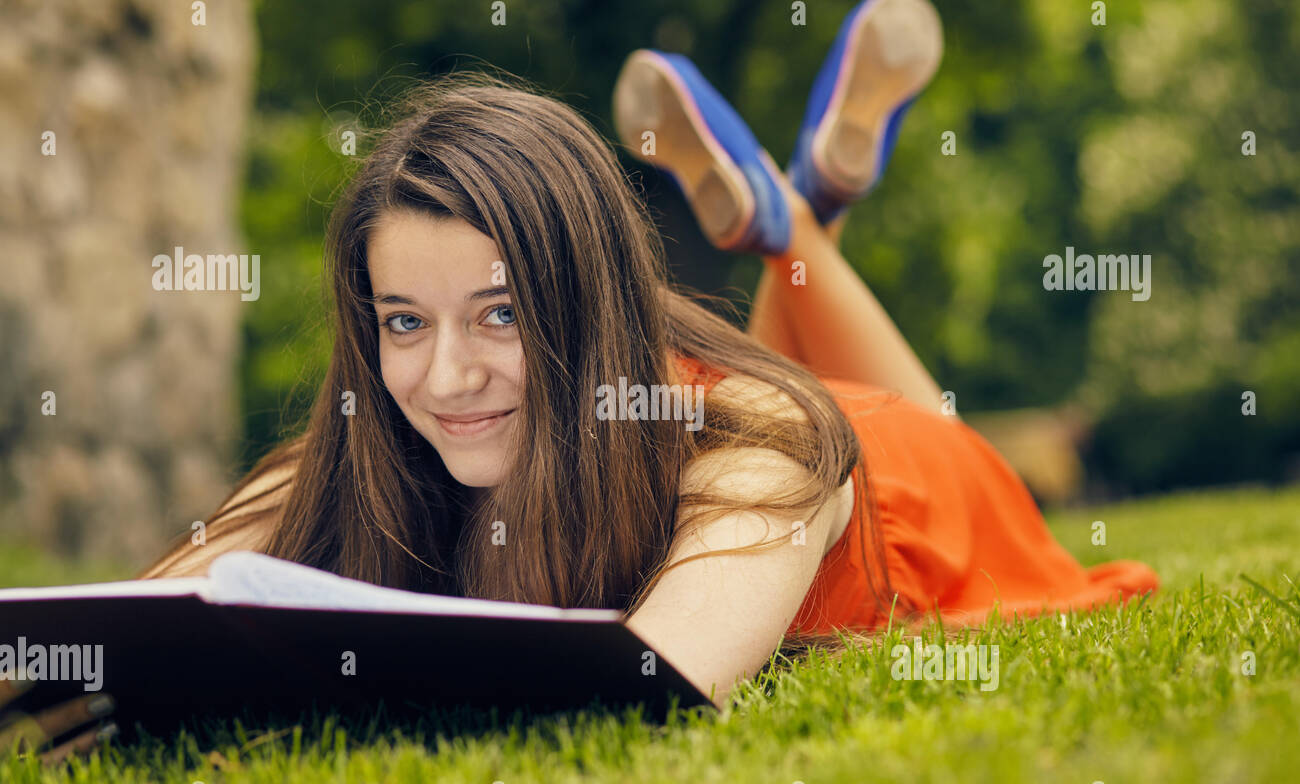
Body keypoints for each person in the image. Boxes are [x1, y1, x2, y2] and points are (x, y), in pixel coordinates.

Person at [133, 0, 1158, 710]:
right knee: (755, 384)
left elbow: (648, 682)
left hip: (908, 484)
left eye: (500, 314)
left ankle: (796, 217)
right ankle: (801, 208)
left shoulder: (762, 462)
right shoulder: (371, 451)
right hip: (686, 397)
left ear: (580, 306)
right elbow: (102, 636)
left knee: (860, 422)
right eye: (404, 320)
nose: (444, 377)